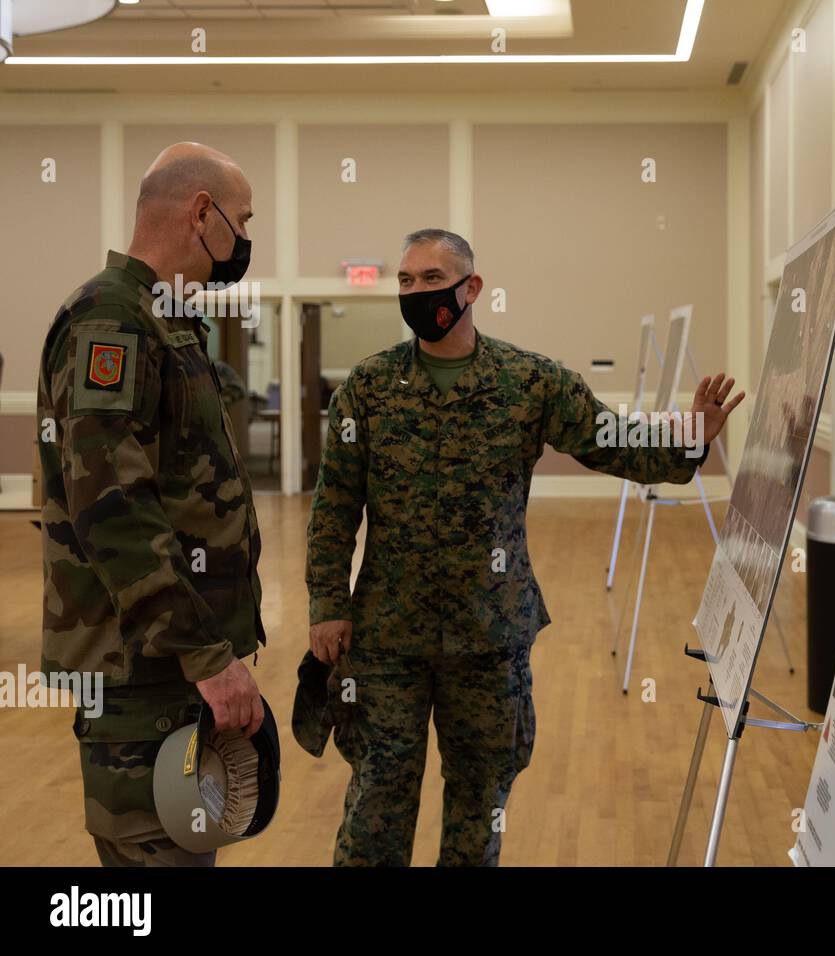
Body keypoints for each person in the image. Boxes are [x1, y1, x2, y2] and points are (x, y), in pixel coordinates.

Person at [306, 228, 744, 866]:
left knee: (480, 804)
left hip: (490, 636)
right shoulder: (369, 388)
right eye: (406, 280)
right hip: (386, 637)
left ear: (471, 287)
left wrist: (691, 438)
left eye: (432, 279)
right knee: (376, 803)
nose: (416, 292)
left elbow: (611, 441)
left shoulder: (530, 382)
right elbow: (335, 503)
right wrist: (326, 601)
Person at [37, 142, 266, 867]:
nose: (247, 240)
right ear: (202, 213)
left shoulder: (165, 317)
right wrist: (204, 652)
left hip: (172, 668)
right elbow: (112, 504)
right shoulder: (113, 318)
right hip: (142, 674)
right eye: (243, 219)